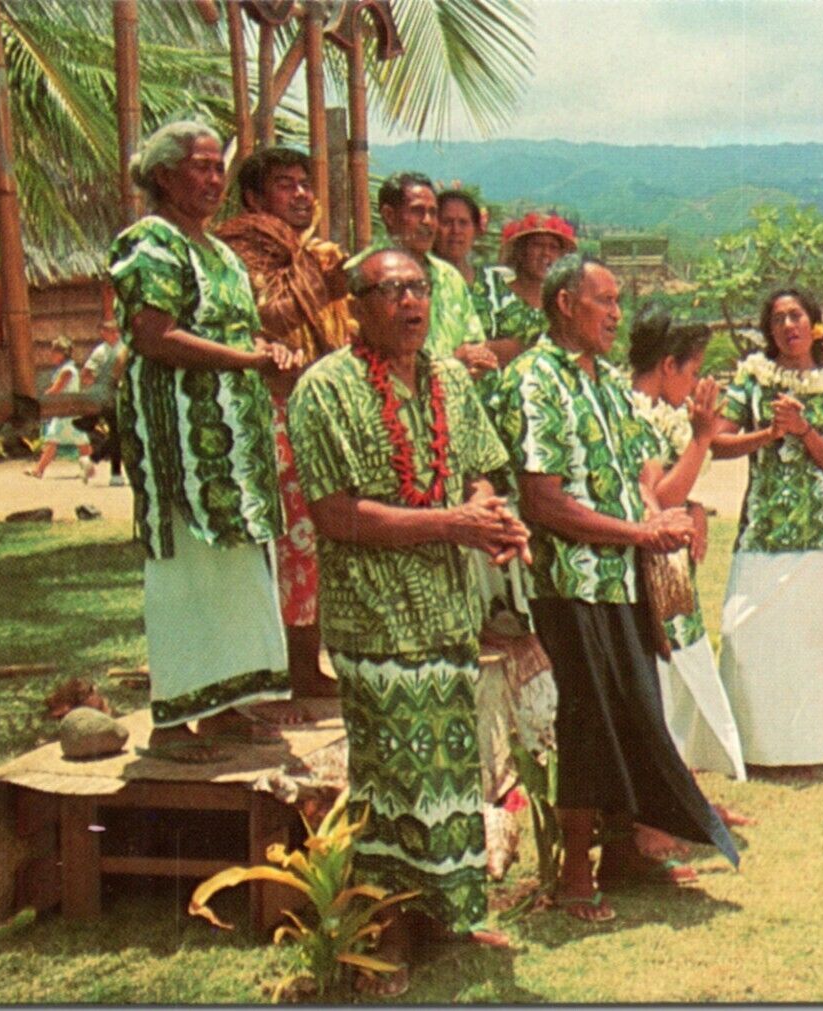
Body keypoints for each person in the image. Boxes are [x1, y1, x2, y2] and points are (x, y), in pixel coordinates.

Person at [287, 247, 529, 992]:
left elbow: (480, 469)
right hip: (377, 618)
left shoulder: (451, 379)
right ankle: (383, 936)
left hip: (449, 613)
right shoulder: (323, 390)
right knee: (394, 777)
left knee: (452, 770)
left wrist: (489, 515)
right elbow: (335, 514)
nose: (409, 301)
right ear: (355, 306)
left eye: (418, 287)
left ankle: (449, 914)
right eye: (390, 290)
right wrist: (452, 523)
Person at [494, 253, 739, 923]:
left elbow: (640, 483)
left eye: (617, 302)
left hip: (621, 581)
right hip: (567, 584)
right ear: (564, 303)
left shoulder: (605, 384)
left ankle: (625, 852)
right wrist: (639, 533)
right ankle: (575, 875)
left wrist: (667, 516)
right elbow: (542, 501)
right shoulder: (533, 380)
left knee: (636, 713)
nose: (616, 314)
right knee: (587, 724)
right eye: (604, 300)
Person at [107, 120, 301, 762]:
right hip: (180, 439)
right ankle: (171, 724)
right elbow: (154, 334)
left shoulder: (218, 252)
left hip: (231, 443)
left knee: (234, 567)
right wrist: (246, 361)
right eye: (201, 166)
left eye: (220, 167)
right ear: (164, 175)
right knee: (186, 572)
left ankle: (220, 710)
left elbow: (237, 330)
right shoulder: (148, 243)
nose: (215, 179)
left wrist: (268, 349)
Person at [215, 145, 354, 708]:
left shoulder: (310, 253)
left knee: (310, 543)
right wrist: (320, 278)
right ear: (253, 198)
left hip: (308, 410)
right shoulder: (237, 252)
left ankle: (303, 666)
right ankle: (272, 672)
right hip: (261, 411)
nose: (301, 194)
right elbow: (266, 316)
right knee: (280, 542)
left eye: (305, 183)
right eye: (285, 184)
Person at [711, 288, 823, 773]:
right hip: (762, 528)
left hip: (818, 534)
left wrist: (803, 430)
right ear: (768, 330)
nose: (788, 326)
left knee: (807, 646)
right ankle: (749, 749)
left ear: (814, 324)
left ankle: (801, 752)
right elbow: (717, 444)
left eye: (796, 316)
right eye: (777, 319)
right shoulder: (753, 378)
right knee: (741, 633)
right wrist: (769, 434)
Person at [627, 306, 746, 782]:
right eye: (692, 371)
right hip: (648, 568)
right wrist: (700, 439)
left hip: (667, 566)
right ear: (667, 365)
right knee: (667, 677)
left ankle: (685, 785)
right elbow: (656, 497)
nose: (694, 383)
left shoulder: (655, 413)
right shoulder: (635, 416)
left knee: (680, 676)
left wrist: (694, 505)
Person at [375, 172, 496, 378]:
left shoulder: (449, 276)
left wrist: (476, 362)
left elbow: (476, 344)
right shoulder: (364, 278)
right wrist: (453, 363)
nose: (428, 221)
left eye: (433, 213)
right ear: (389, 215)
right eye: (417, 211)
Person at [474, 210, 575, 366]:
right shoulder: (492, 292)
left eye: (553, 247)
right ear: (520, 252)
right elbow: (475, 347)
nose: (546, 253)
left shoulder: (563, 306)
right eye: (538, 245)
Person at [25, 336, 93, 482]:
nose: (51, 355)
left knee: (59, 439)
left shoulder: (67, 370)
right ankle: (40, 470)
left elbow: (56, 389)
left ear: (62, 354)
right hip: (66, 409)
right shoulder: (67, 369)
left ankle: (39, 470)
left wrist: (42, 398)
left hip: (66, 410)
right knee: (70, 440)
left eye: (54, 352)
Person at [74, 319, 128, 487]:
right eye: (108, 332)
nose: (113, 335)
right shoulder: (102, 351)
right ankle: (114, 472)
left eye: (114, 332)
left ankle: (93, 460)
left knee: (117, 434)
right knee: (118, 432)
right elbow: (86, 373)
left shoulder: (120, 348)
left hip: (115, 395)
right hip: (108, 396)